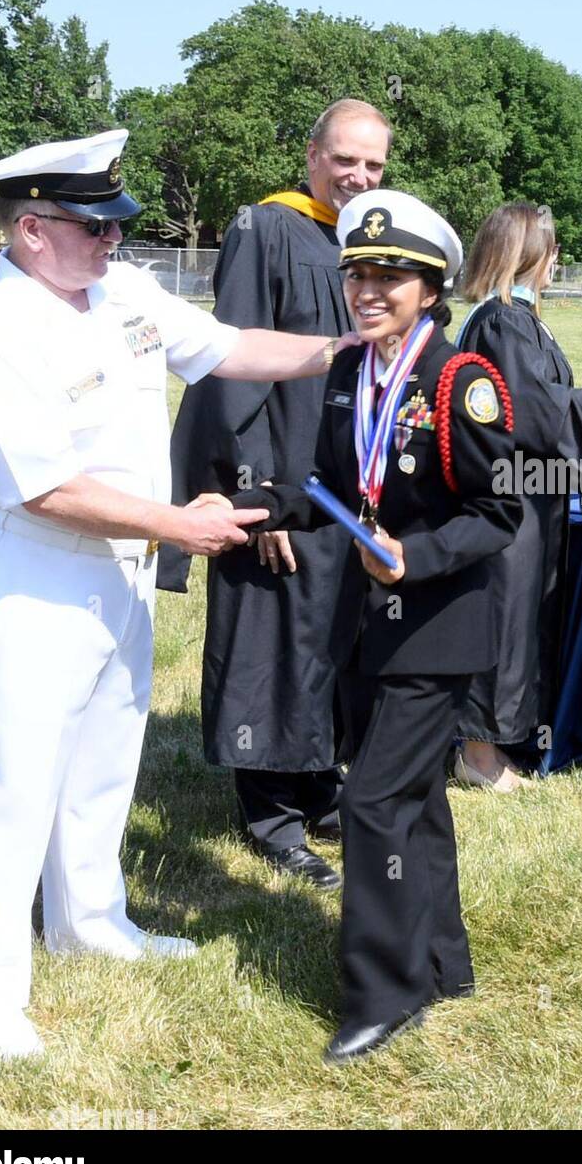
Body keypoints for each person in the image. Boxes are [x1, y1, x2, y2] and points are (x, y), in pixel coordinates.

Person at [0, 130, 353, 1060]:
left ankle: (89, 918)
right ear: (34, 229)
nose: (113, 242)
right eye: (94, 227)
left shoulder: (117, 290)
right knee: (11, 782)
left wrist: (348, 348)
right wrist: (179, 526)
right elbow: (46, 488)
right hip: (41, 575)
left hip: (118, 571)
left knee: (102, 759)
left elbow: (229, 346)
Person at [231, 189, 522, 1063]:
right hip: (364, 625)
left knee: (371, 802)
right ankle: (441, 960)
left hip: (436, 629)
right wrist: (254, 504)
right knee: (411, 799)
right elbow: (326, 483)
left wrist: (418, 556)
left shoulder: (459, 382)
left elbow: (499, 511)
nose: (368, 288)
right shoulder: (351, 370)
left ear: (429, 289)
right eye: (358, 271)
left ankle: (383, 995)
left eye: (390, 274)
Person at [159, 99, 391, 888]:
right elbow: (232, 362)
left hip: (343, 484)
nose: (358, 176)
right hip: (278, 478)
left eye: (373, 165)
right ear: (311, 154)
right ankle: (271, 815)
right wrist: (252, 490)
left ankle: (318, 785)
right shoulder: (266, 230)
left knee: (329, 638)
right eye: (345, 159)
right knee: (270, 640)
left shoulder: (363, 242)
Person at [453, 203, 582, 790]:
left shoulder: (523, 319)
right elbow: (526, 410)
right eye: (553, 247)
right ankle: (476, 753)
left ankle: (506, 738)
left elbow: (547, 402)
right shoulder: (501, 320)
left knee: (526, 614)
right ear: (531, 254)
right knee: (503, 616)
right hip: (506, 496)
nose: (558, 258)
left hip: (534, 493)